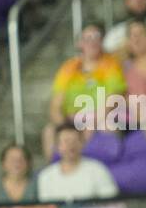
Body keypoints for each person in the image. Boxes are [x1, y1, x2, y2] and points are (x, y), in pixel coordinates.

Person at [42, 22, 126, 158]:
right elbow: (55, 105)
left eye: (96, 37)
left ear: (102, 41)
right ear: (79, 44)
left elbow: (113, 99)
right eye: (87, 38)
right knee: (49, 131)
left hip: (102, 117)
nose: (92, 42)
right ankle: (55, 171)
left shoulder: (111, 64)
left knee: (108, 124)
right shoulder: (68, 67)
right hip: (72, 121)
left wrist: (91, 123)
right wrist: (65, 128)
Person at [37, 123, 119, 201]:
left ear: (83, 144)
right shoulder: (46, 177)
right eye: (66, 141)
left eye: (75, 140)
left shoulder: (98, 170)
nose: (71, 145)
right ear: (57, 146)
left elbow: (111, 204)